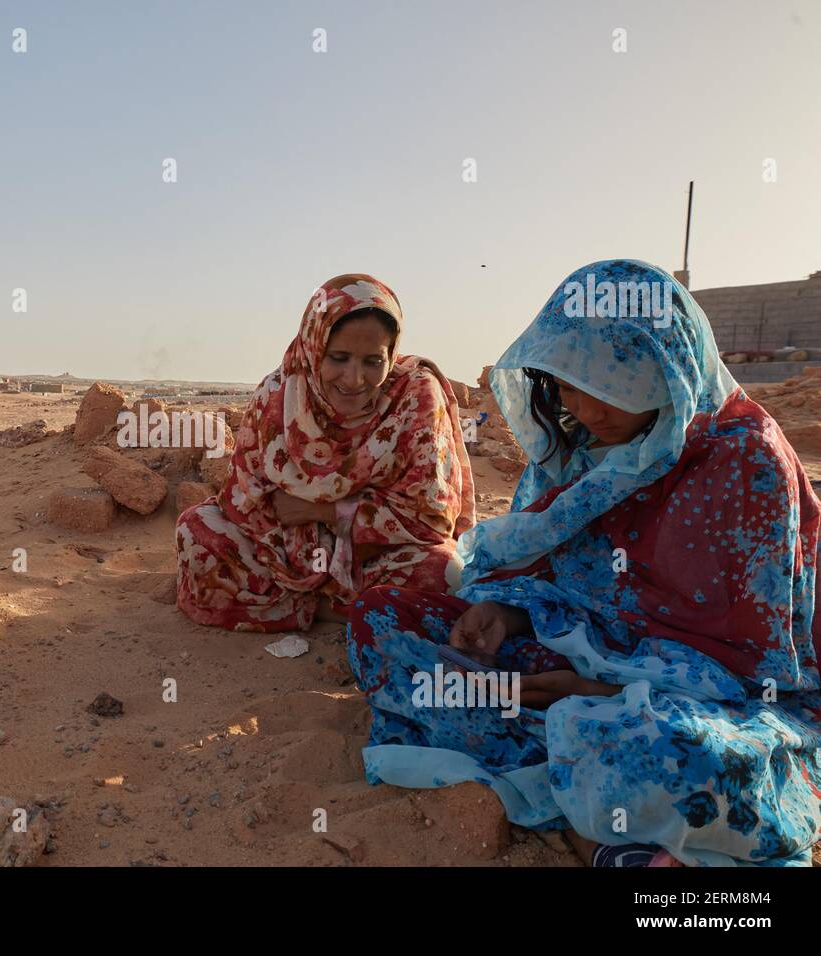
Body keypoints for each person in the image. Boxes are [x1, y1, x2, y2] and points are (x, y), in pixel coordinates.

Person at [347, 259, 821, 866]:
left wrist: (601, 690)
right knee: (381, 620)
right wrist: (504, 616)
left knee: (665, 750)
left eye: (613, 387)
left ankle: (586, 804)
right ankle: (591, 794)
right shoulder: (579, 453)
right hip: (564, 665)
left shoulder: (744, 464)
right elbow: (548, 578)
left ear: (665, 367)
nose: (589, 410)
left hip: (690, 701)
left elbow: (758, 669)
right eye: (572, 386)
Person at [176, 273, 475, 632]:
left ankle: (307, 606)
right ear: (314, 346)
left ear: (391, 355)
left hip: (376, 553)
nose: (353, 379)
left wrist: (326, 511)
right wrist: (298, 549)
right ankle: (335, 604)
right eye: (339, 357)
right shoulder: (278, 397)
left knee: (448, 573)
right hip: (284, 549)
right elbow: (242, 497)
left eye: (372, 361)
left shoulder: (414, 400)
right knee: (197, 529)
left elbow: (431, 519)